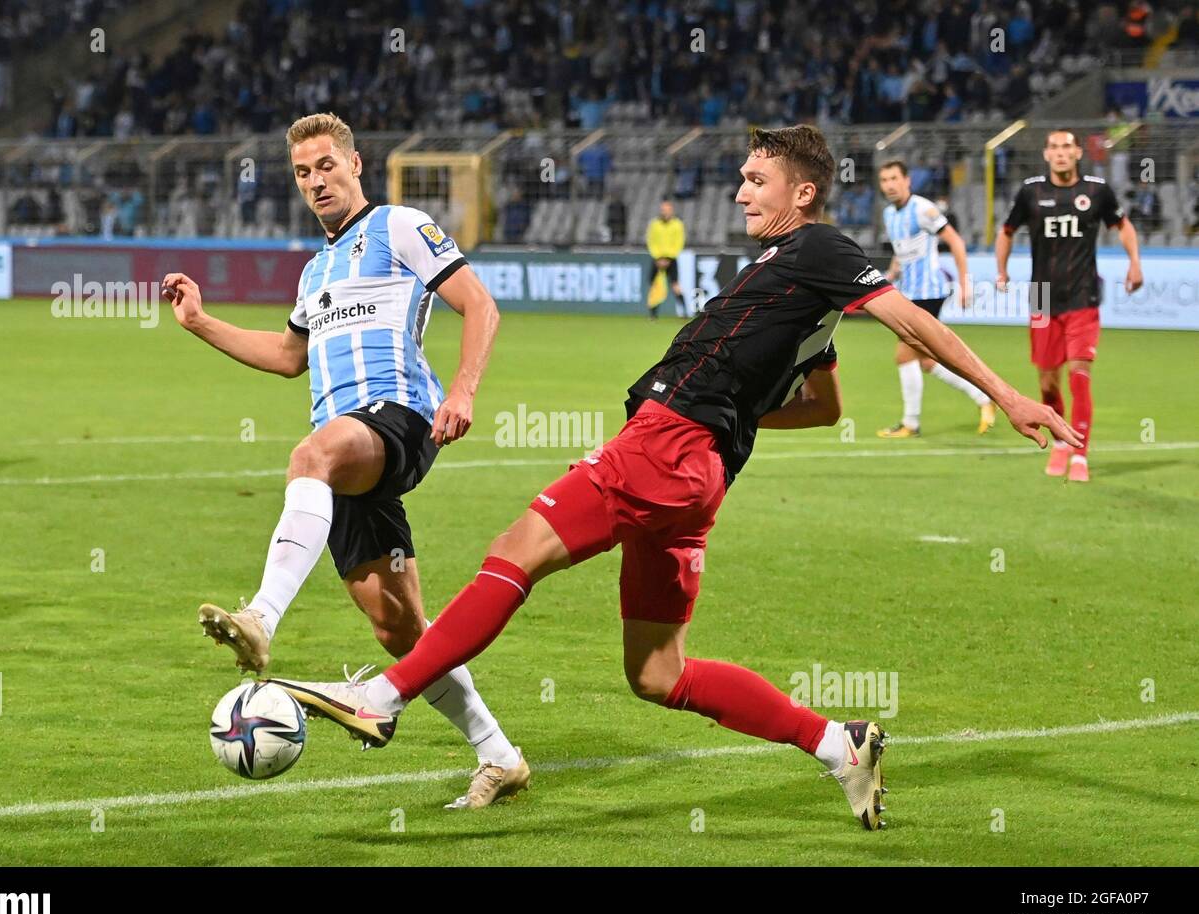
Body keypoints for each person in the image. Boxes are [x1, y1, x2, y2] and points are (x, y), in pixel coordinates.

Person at [260, 126, 1081, 831]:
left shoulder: (822, 249)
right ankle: (840, 744)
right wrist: (734, 418)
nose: (739, 191)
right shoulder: (797, 285)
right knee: (656, 673)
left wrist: (1006, 394)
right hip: (696, 469)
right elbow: (824, 406)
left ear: (803, 191)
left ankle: (386, 698)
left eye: (756, 180)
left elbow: (912, 319)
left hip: (665, 444)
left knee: (514, 551)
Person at [161, 112, 528, 809]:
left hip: (400, 421)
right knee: (399, 629)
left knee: (309, 453)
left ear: (355, 164)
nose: (316, 180)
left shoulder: (397, 226)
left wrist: (464, 390)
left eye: (327, 164)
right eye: (303, 172)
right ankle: (499, 755)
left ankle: (263, 617)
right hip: (347, 452)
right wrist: (201, 323)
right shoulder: (315, 270)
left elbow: (478, 304)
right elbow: (288, 357)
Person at [996, 129, 1143, 482]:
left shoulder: (1097, 190)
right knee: (1048, 382)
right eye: (1054, 148)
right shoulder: (1031, 192)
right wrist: (1001, 271)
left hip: (1083, 296)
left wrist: (1134, 262)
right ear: (1046, 155)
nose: (1060, 153)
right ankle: (1061, 440)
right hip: (1043, 297)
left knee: (1080, 374)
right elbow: (1006, 231)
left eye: (1067, 147)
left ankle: (1080, 453)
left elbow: (1123, 226)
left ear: (1078, 152)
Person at [875, 160, 995, 437]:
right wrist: (891, 275)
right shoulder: (890, 214)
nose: (889, 185)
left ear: (907, 181)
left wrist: (964, 283)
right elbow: (902, 251)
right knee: (928, 361)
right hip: (909, 293)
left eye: (894, 178)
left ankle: (910, 423)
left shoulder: (923, 209)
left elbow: (956, 241)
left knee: (904, 355)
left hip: (928, 293)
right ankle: (984, 399)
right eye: (884, 180)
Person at [645, 199, 687, 319]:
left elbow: (679, 242)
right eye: (663, 209)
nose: (665, 212)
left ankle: (684, 312)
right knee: (654, 286)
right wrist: (658, 257)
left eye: (667, 209)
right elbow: (651, 241)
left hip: (671, 259)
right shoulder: (654, 224)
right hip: (657, 259)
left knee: (675, 285)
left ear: (671, 210)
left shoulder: (677, 224)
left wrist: (668, 257)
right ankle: (653, 314)